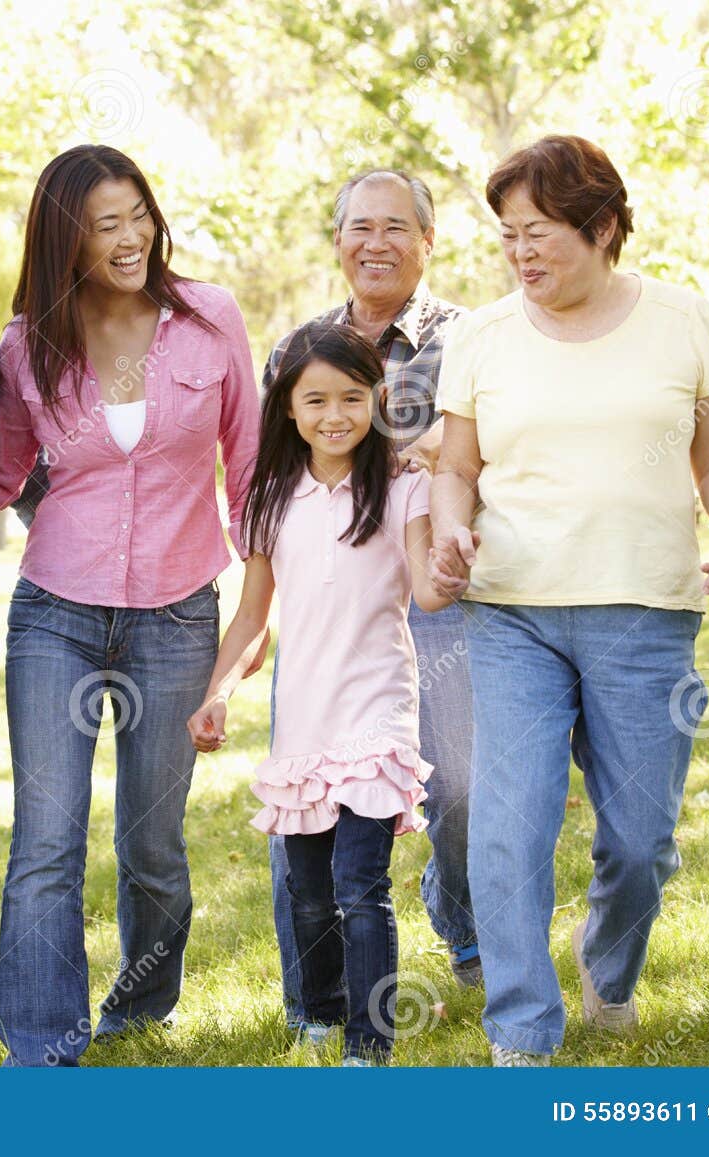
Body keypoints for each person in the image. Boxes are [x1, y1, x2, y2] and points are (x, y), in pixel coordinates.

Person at [429, 135, 709, 1066]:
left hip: (646, 611)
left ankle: (607, 968)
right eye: (508, 237)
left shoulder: (681, 319)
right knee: (510, 825)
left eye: (541, 233)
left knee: (643, 840)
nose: (522, 253)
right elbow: (457, 468)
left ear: (603, 226)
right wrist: (453, 529)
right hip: (514, 612)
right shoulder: (482, 336)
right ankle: (522, 1036)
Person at [0, 144, 259, 1067]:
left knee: (153, 840)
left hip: (179, 611)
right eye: (106, 225)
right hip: (56, 608)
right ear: (66, 240)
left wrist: (259, 614)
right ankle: (41, 1045)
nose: (132, 236)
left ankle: (140, 1010)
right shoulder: (27, 341)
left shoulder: (209, 318)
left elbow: (253, 467)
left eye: (138, 212)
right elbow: (0, 471)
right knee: (48, 837)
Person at [188, 323, 453, 1064]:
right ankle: (317, 1014)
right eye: (315, 400)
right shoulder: (273, 496)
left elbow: (429, 590)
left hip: (378, 714)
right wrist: (219, 693)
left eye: (350, 397)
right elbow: (251, 612)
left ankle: (371, 1042)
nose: (334, 414)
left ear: (376, 398)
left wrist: (454, 564)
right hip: (303, 720)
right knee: (307, 891)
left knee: (359, 885)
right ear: (290, 409)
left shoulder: (403, 487)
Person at [263, 170, 480, 1014]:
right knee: (305, 804)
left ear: (428, 242)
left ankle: (456, 919)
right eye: (360, 226)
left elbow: (481, 450)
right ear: (339, 240)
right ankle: (309, 1003)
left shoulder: (471, 339)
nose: (376, 242)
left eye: (397, 227)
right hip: (334, 603)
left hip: (434, 582)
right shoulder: (297, 346)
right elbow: (274, 467)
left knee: (456, 786)